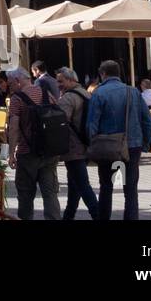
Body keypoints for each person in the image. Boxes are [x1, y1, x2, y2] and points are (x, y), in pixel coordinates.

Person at [87, 60, 151, 221]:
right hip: (132, 146)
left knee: (106, 187)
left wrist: (91, 145)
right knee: (130, 189)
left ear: (103, 74)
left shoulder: (99, 93)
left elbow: (91, 124)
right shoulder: (133, 92)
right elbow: (149, 122)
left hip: (107, 146)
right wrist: (144, 143)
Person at [6, 67, 62, 220]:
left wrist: (11, 153)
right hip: (49, 151)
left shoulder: (17, 98)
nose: (10, 88)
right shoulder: (46, 93)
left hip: (27, 153)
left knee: (25, 194)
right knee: (50, 193)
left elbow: (13, 128)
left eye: (10, 84)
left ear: (17, 81)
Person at [55, 67, 98, 220]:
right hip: (86, 144)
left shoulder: (67, 98)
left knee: (83, 185)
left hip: (73, 147)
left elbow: (60, 122)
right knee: (74, 185)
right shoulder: (87, 94)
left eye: (61, 81)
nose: (58, 84)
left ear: (70, 80)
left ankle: (97, 214)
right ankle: (68, 216)